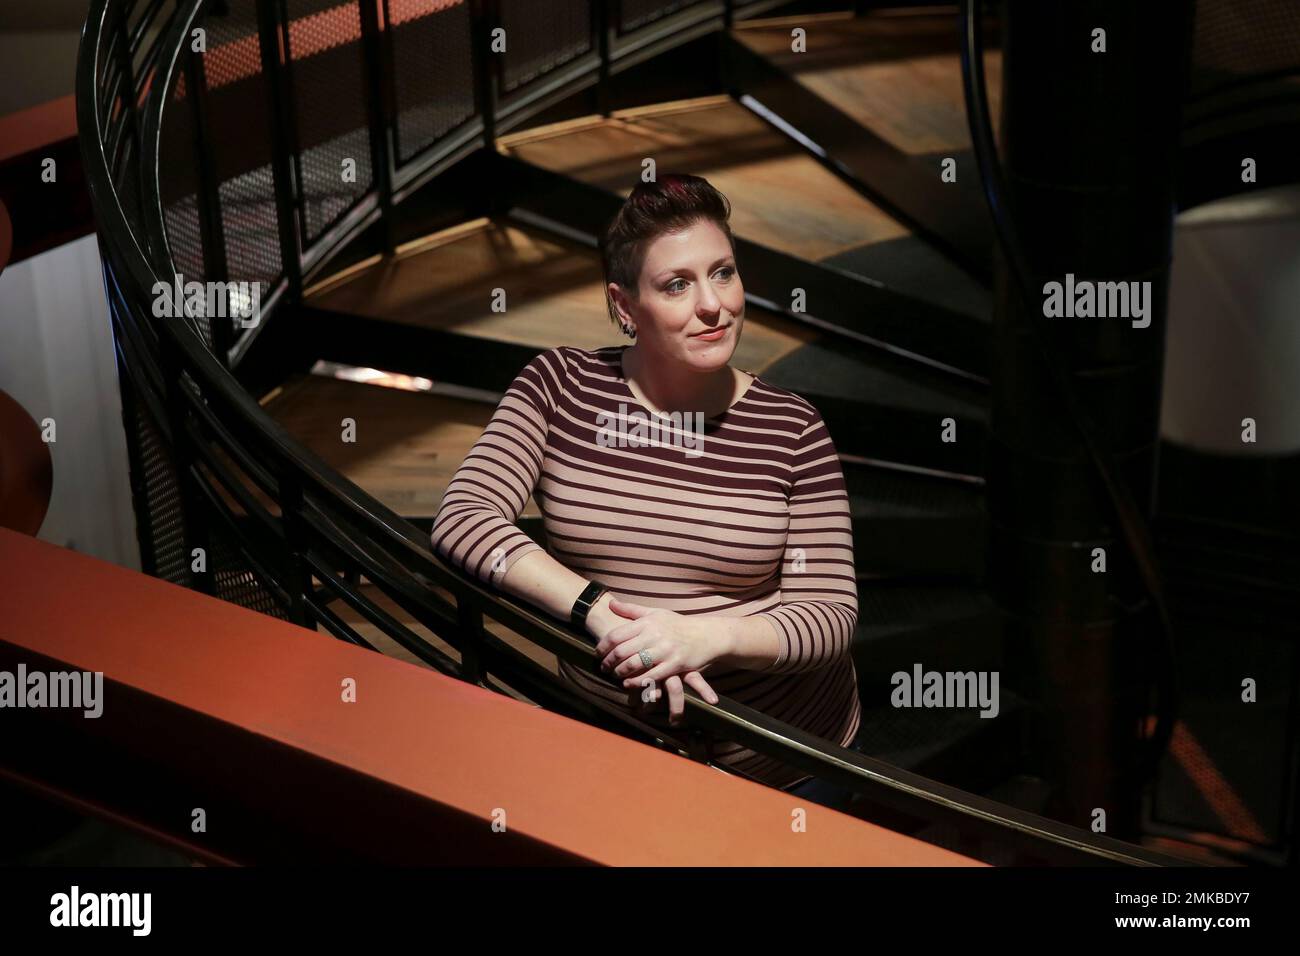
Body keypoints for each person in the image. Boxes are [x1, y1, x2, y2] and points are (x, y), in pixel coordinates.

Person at [430, 173, 861, 800]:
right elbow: (465, 518)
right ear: (624, 305)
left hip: (781, 763)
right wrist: (597, 612)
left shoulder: (793, 429)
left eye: (724, 272)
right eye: (677, 285)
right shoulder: (560, 386)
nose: (713, 305)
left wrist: (706, 638)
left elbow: (830, 614)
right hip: (605, 743)